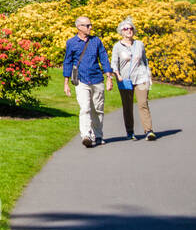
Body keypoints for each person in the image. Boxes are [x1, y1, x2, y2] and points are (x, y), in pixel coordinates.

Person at [62, 15, 113, 147]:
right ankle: (86, 135)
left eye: (90, 25)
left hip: (97, 79)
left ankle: (98, 135)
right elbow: (67, 62)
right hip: (81, 80)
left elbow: (104, 58)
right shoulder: (71, 43)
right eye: (87, 25)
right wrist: (66, 83)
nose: (90, 28)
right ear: (79, 27)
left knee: (98, 109)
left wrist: (109, 78)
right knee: (85, 108)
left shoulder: (96, 41)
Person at [110, 16, 156, 141]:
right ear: (121, 31)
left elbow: (144, 60)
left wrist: (148, 75)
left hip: (141, 78)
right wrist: (117, 75)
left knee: (143, 104)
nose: (128, 31)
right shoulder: (117, 46)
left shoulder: (139, 44)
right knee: (127, 106)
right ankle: (130, 131)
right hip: (124, 80)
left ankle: (149, 131)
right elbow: (114, 63)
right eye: (125, 29)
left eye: (130, 28)